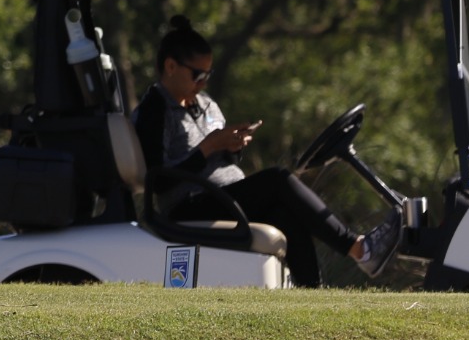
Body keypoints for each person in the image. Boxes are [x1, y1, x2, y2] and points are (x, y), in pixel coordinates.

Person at [133, 15, 402, 286]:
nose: (203, 83)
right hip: (188, 205)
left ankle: (314, 295)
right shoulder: (155, 110)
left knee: (284, 213)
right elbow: (159, 180)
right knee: (277, 179)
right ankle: (358, 248)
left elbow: (223, 162)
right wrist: (209, 147)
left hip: (224, 198)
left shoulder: (205, 104)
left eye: (208, 75)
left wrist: (233, 147)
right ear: (170, 66)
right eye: (197, 75)